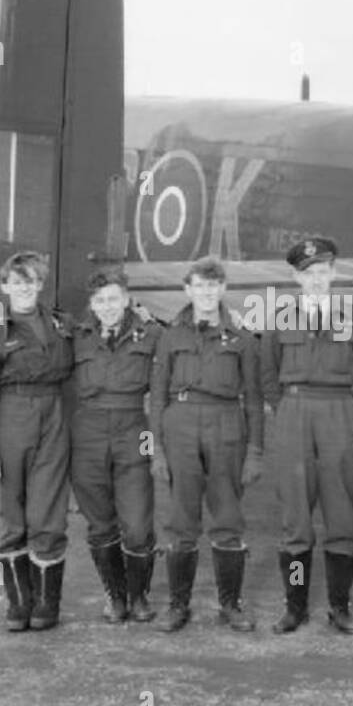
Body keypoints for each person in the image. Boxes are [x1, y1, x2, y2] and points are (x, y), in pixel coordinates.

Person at [261, 236, 353, 634]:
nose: (316, 279)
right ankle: (295, 607)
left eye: (323, 271)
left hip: (338, 412)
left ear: (334, 273)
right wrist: (287, 412)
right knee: (295, 518)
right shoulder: (281, 317)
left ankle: (340, 607)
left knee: (341, 513)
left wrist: (349, 417)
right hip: (293, 412)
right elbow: (267, 376)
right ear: (296, 276)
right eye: (308, 273)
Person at [148, 257, 265, 633]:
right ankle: (177, 605)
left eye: (213, 286)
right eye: (199, 285)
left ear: (223, 289)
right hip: (180, 423)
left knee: (228, 517)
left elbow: (254, 398)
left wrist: (254, 452)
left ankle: (231, 604)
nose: (207, 292)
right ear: (187, 289)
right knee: (181, 518)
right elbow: (156, 394)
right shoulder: (170, 336)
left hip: (226, 424)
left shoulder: (243, 338)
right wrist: (158, 449)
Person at [0, 251, 74, 631]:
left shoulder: (63, 326)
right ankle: (18, 605)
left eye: (31, 281)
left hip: (53, 415)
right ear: (5, 287)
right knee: (14, 515)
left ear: (40, 284)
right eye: (17, 282)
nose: (25, 288)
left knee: (48, 511)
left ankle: (47, 605)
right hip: (12, 418)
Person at [67, 268, 161, 625]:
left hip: (133, 427)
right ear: (92, 304)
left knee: (137, 524)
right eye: (100, 300)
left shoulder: (151, 334)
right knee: (100, 523)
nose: (107, 306)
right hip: (88, 432)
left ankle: (139, 597)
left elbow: (166, 383)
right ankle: (116, 596)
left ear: (126, 298)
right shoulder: (75, 336)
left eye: (113, 299)